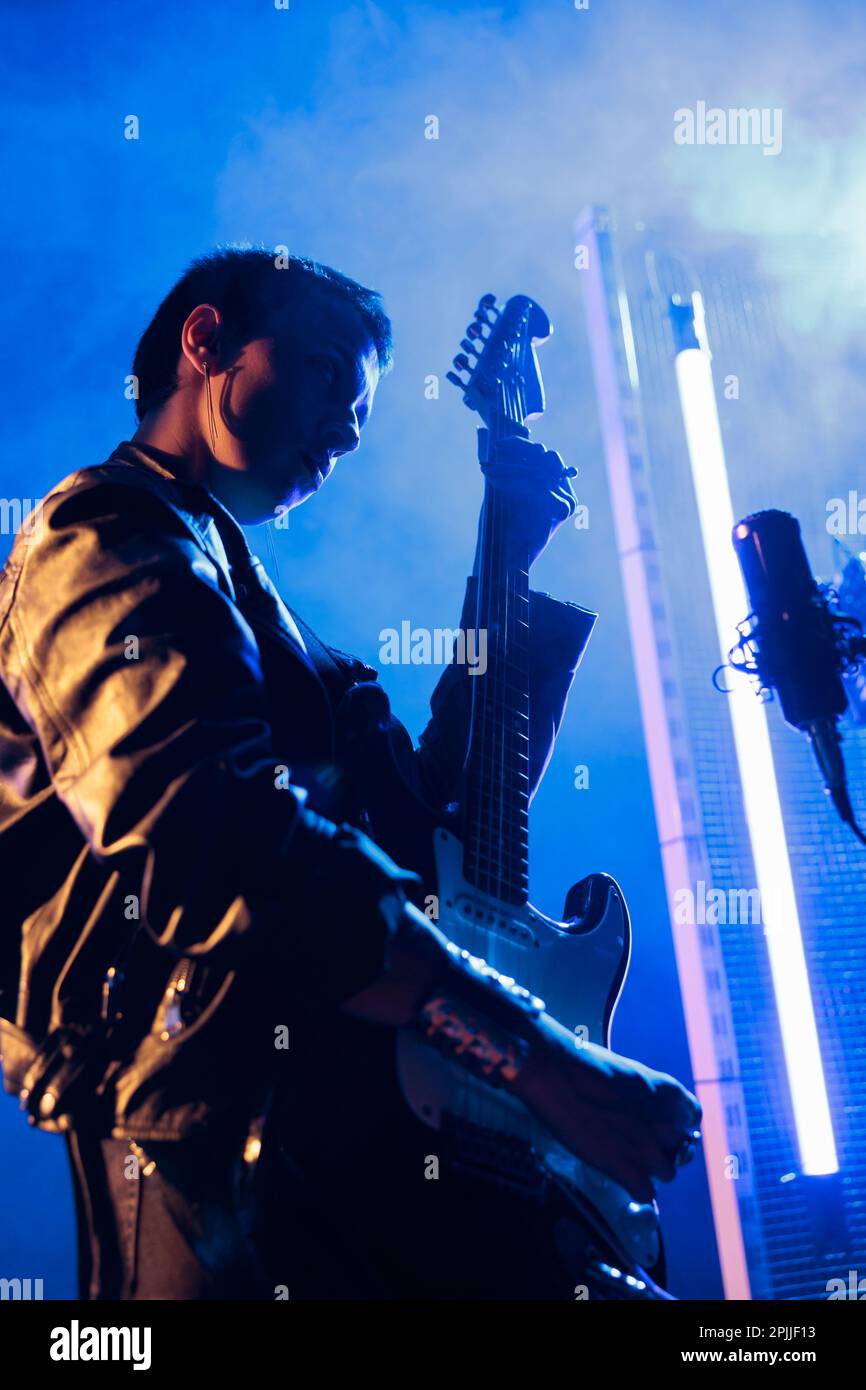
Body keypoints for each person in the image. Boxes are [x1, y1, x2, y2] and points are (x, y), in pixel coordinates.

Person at [0, 248, 700, 1299]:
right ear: (205, 343)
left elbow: (446, 834)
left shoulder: (269, 624)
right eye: (329, 373)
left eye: (364, 414)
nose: (346, 428)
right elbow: (222, 845)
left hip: (336, 1156)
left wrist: (507, 555)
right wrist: (542, 1063)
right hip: (216, 1151)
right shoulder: (102, 536)